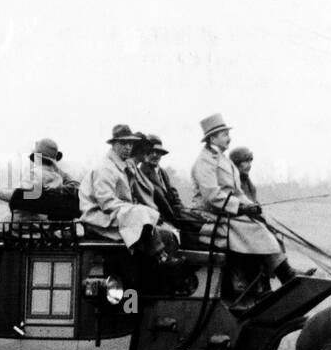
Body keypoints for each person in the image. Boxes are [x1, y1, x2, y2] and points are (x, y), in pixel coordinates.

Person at [191, 114, 300, 285]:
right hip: (210, 213)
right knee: (256, 229)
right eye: (225, 134)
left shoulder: (223, 159)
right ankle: (284, 274)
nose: (229, 138)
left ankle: (276, 274)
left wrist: (252, 207)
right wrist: (240, 208)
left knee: (265, 223)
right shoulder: (204, 162)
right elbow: (212, 195)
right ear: (212, 137)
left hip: (227, 211)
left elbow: (238, 192)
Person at [79, 124, 179, 262]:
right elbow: (106, 203)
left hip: (115, 216)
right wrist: (133, 210)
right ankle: (161, 258)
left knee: (157, 227)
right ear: (114, 145)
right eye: (123, 143)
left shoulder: (121, 166)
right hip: (98, 218)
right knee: (143, 215)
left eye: (131, 144)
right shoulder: (105, 168)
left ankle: (159, 262)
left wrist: (133, 210)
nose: (128, 147)